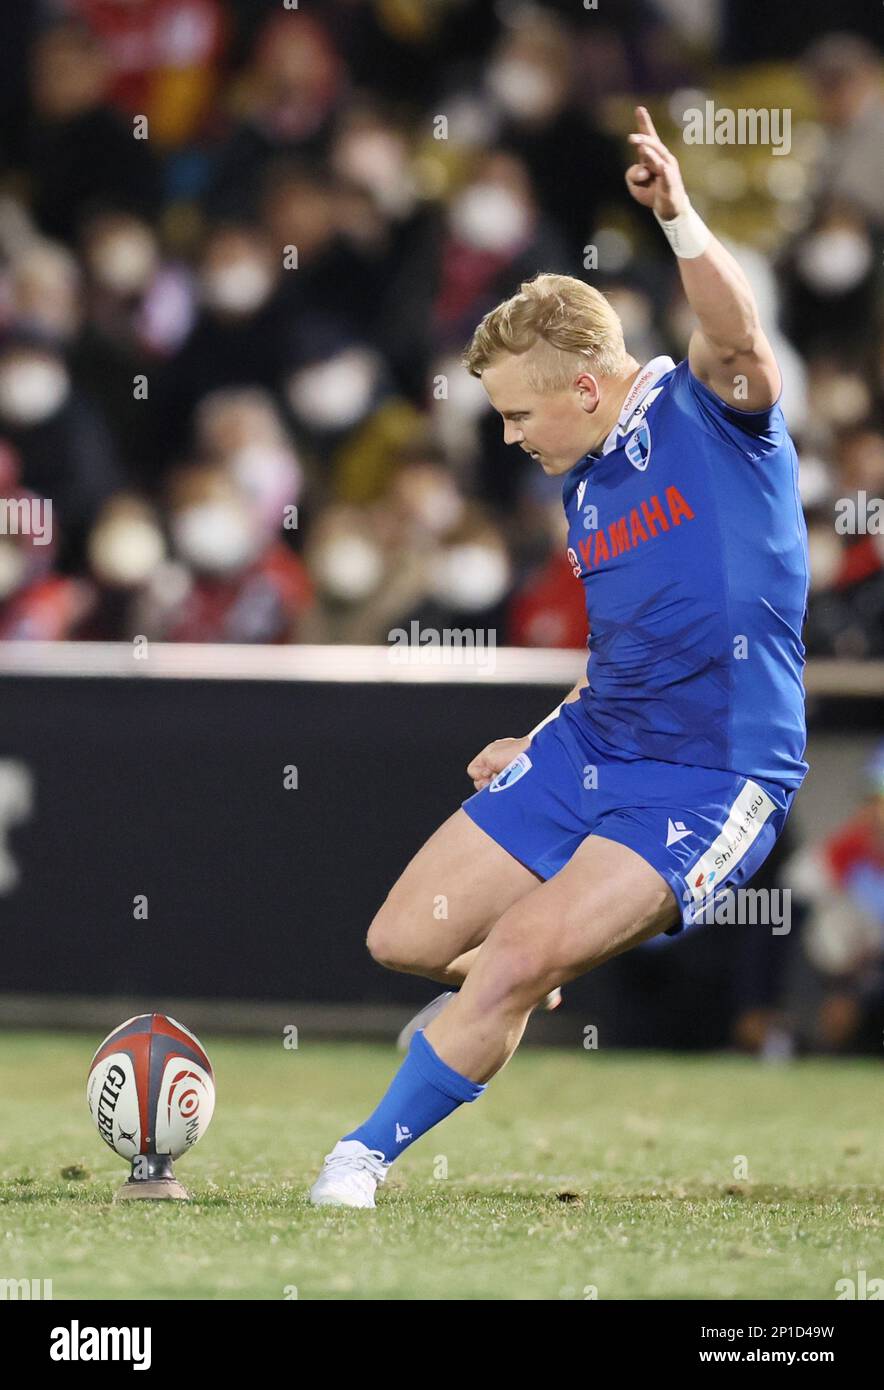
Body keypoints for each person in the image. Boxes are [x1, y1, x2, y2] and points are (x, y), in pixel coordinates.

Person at [309, 108, 810, 1208]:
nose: (507, 436)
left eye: (515, 412)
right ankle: (517, 981)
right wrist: (537, 738)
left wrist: (675, 215)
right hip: (593, 741)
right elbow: (626, 642)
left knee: (509, 958)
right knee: (402, 936)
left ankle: (359, 1157)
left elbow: (734, 338)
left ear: (583, 388)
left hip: (711, 769)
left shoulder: (708, 414)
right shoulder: (581, 486)